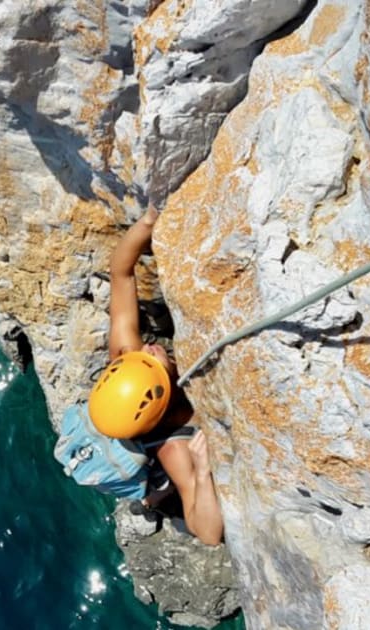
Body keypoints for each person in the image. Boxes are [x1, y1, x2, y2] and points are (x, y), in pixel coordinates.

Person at [89, 205, 224, 546]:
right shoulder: (175, 449)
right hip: (172, 468)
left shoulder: (128, 358)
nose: (149, 348)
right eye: (152, 361)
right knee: (171, 496)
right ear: (159, 399)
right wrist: (203, 471)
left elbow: (120, 273)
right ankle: (153, 504)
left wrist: (147, 221)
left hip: (135, 416)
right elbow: (207, 534)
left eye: (145, 357)